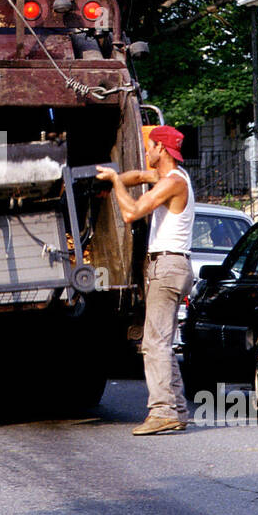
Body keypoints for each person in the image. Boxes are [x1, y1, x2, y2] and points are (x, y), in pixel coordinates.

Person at [95, 125, 196, 435]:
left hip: (167, 267)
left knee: (154, 344)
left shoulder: (173, 183)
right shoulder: (173, 178)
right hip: (170, 267)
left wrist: (114, 182)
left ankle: (162, 410)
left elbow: (132, 212)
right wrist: (104, 181)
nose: (147, 152)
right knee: (162, 342)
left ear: (162, 150)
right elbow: (138, 177)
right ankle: (176, 409)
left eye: (150, 147)